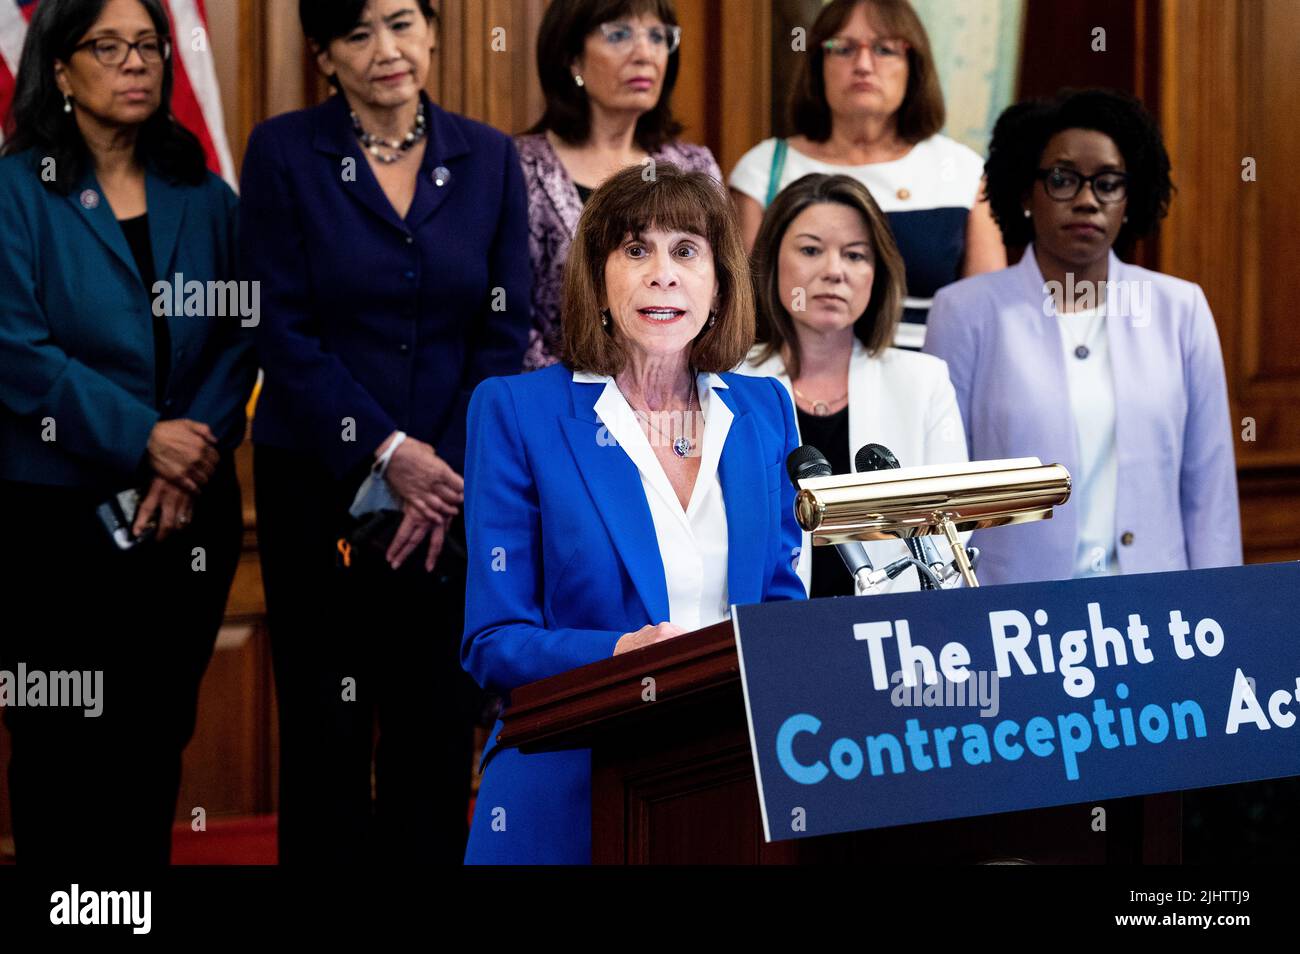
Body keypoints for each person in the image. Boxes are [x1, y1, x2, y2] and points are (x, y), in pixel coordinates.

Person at [240, 0, 530, 864]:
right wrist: (389, 452)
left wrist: (440, 468)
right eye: (358, 33)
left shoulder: (488, 158)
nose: (386, 50)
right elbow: (278, 328)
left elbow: (502, 329)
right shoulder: (285, 152)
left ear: (435, 31)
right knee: (327, 731)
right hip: (318, 488)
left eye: (402, 22)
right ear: (325, 55)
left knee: (436, 728)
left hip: (450, 494)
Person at [461, 163, 805, 864]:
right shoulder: (518, 412)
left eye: (686, 251)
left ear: (719, 282)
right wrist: (619, 657)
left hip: (731, 778)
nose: (663, 274)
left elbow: (779, 610)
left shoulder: (765, 409)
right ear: (598, 277)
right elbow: (494, 639)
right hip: (572, 778)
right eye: (636, 250)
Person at [0, 0, 253, 863]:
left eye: (148, 45)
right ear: (60, 69)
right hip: (53, 521)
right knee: (61, 749)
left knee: (150, 747)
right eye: (107, 46)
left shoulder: (203, 194)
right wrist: (148, 439)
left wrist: (188, 459)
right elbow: (15, 349)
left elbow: (240, 332)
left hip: (184, 518)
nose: (135, 62)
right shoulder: (13, 191)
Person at [923, 88, 1242, 585]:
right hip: (1016, 615)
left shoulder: (1180, 308)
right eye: (1062, 179)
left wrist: (1223, 609)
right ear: (1026, 193)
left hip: (1157, 610)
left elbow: (1210, 489)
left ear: (1129, 198)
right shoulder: (965, 312)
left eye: (1108, 183)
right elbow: (945, 492)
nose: (1088, 200)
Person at [736, 173, 967, 597]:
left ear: (877, 272)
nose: (834, 272)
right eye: (810, 250)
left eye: (856, 255)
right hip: (763, 634)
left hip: (893, 635)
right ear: (771, 261)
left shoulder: (922, 382)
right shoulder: (729, 383)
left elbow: (948, 538)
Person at [729, 0, 1005, 350]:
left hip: (932, 382)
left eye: (884, 49)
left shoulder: (961, 171)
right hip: (793, 385)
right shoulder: (765, 167)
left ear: (914, 67)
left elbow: (987, 316)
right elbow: (740, 313)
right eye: (843, 49)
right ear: (817, 65)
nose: (862, 64)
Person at [516, 0, 721, 371]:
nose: (645, 54)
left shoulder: (695, 166)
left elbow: (720, 292)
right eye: (619, 34)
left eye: (658, 36)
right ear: (572, 58)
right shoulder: (519, 166)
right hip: (554, 401)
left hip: (672, 395)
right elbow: (507, 316)